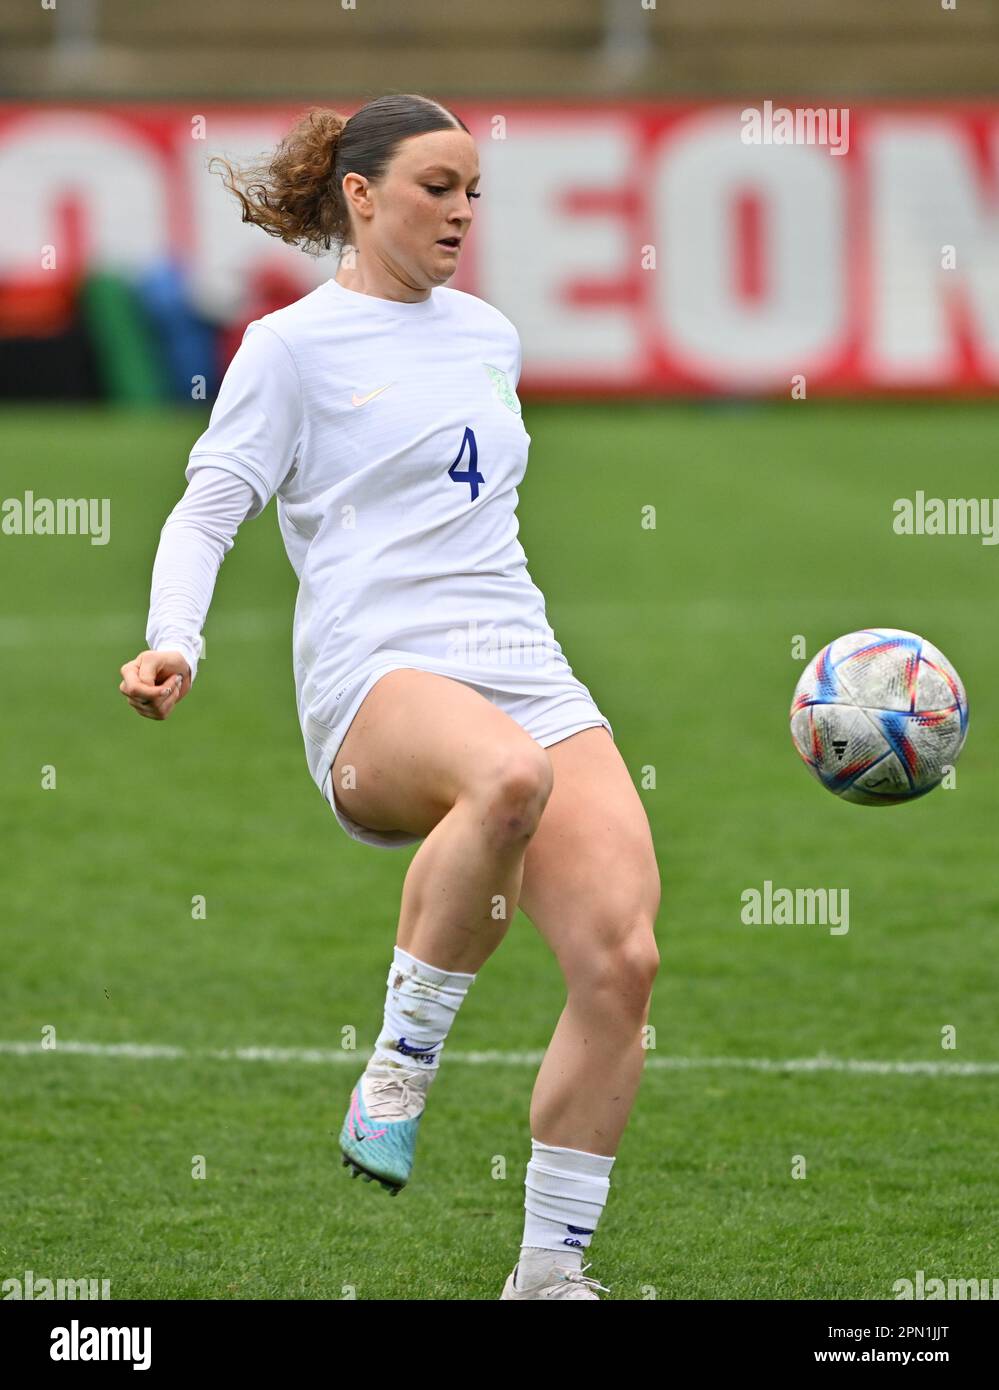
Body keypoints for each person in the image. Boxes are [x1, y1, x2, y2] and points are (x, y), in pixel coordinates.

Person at [119, 93, 661, 1301]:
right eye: (437, 186)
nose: (464, 209)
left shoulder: (488, 335)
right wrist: (175, 641)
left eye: (474, 189)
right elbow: (211, 506)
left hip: (521, 655)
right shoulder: (290, 347)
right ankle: (400, 1067)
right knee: (507, 775)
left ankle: (550, 1271)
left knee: (623, 960)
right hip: (375, 671)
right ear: (359, 196)